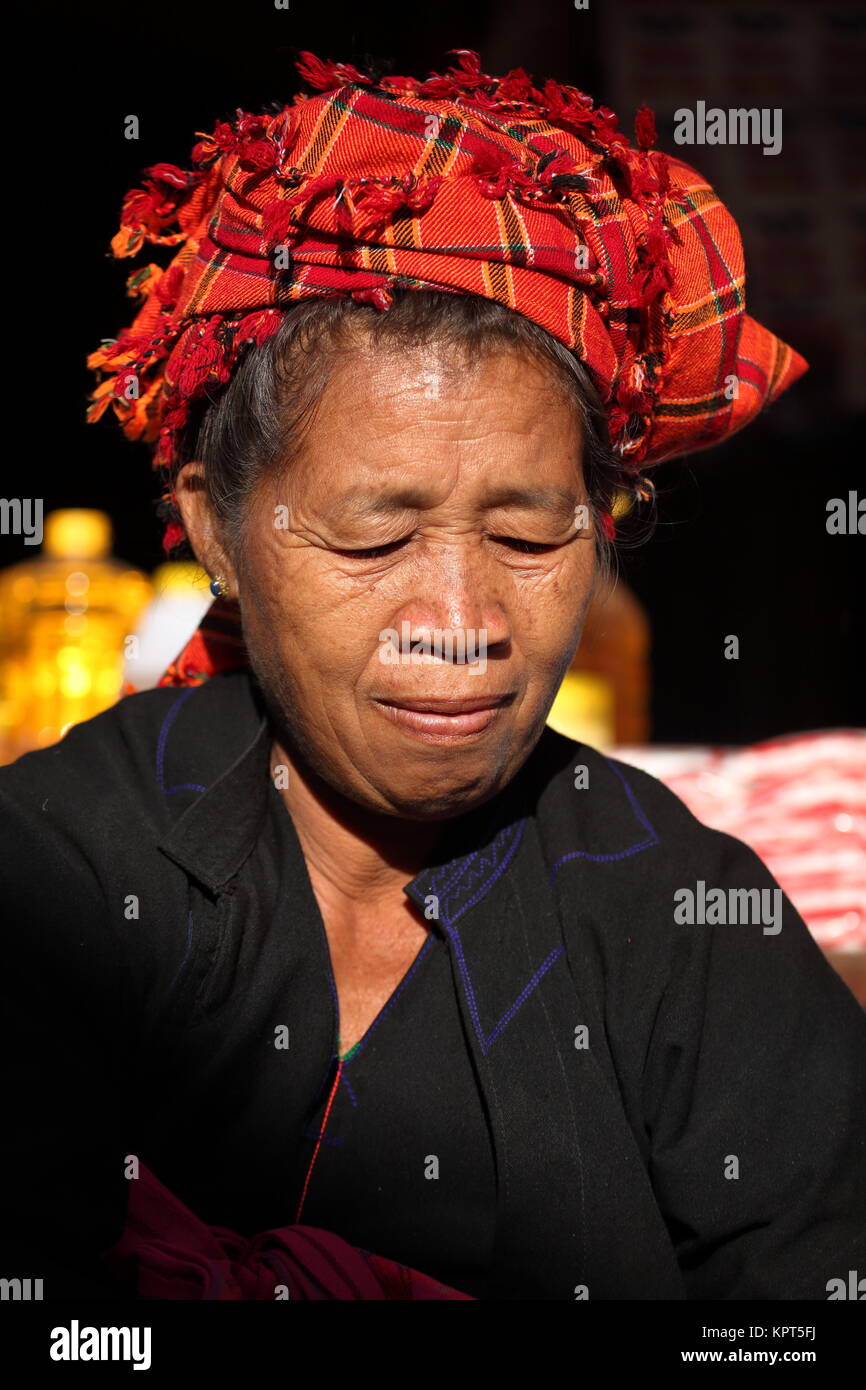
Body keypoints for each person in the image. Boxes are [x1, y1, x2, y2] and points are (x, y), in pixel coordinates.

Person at [1, 47, 863, 1302]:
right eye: (372, 536)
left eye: (528, 535)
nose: (461, 622)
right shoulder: (60, 879)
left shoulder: (686, 928)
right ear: (216, 530)